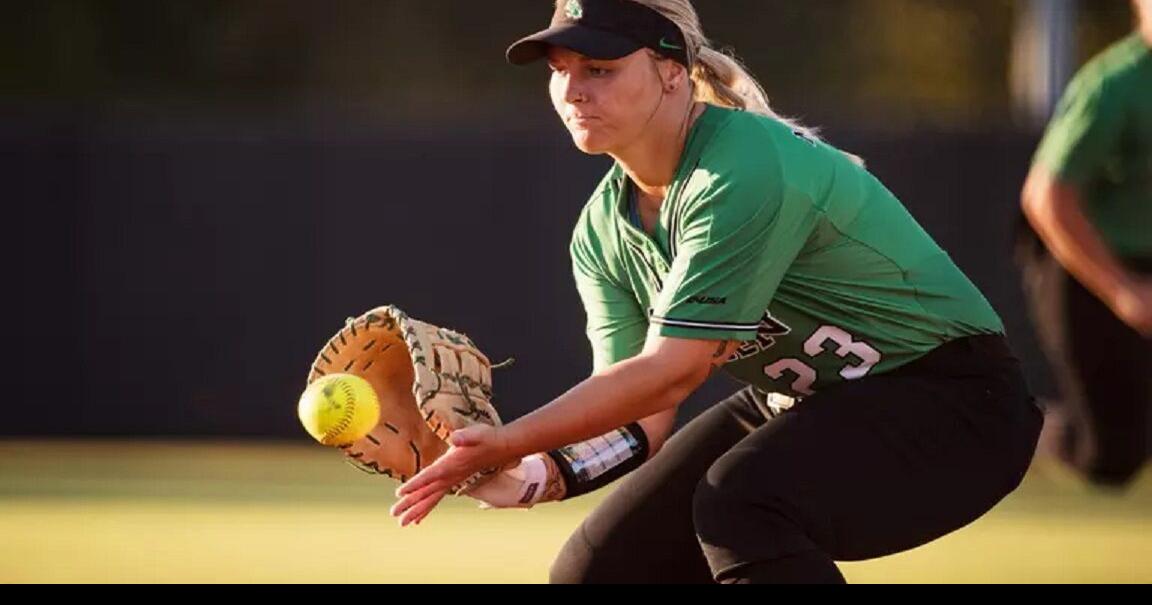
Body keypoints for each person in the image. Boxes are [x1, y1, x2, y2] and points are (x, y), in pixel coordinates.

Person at [390, 0, 1042, 584]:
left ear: (672, 69)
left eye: (600, 68)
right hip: (808, 402)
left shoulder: (741, 167)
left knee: (741, 500)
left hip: (959, 409)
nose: (572, 89)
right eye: (560, 68)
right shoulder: (601, 233)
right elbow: (635, 412)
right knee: (599, 569)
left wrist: (511, 438)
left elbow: (671, 372)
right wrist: (526, 476)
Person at [1018, 0, 1152, 489]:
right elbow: (1045, 196)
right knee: (1109, 457)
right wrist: (1121, 289)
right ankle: (1015, 436)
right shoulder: (1114, 85)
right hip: (1085, 265)